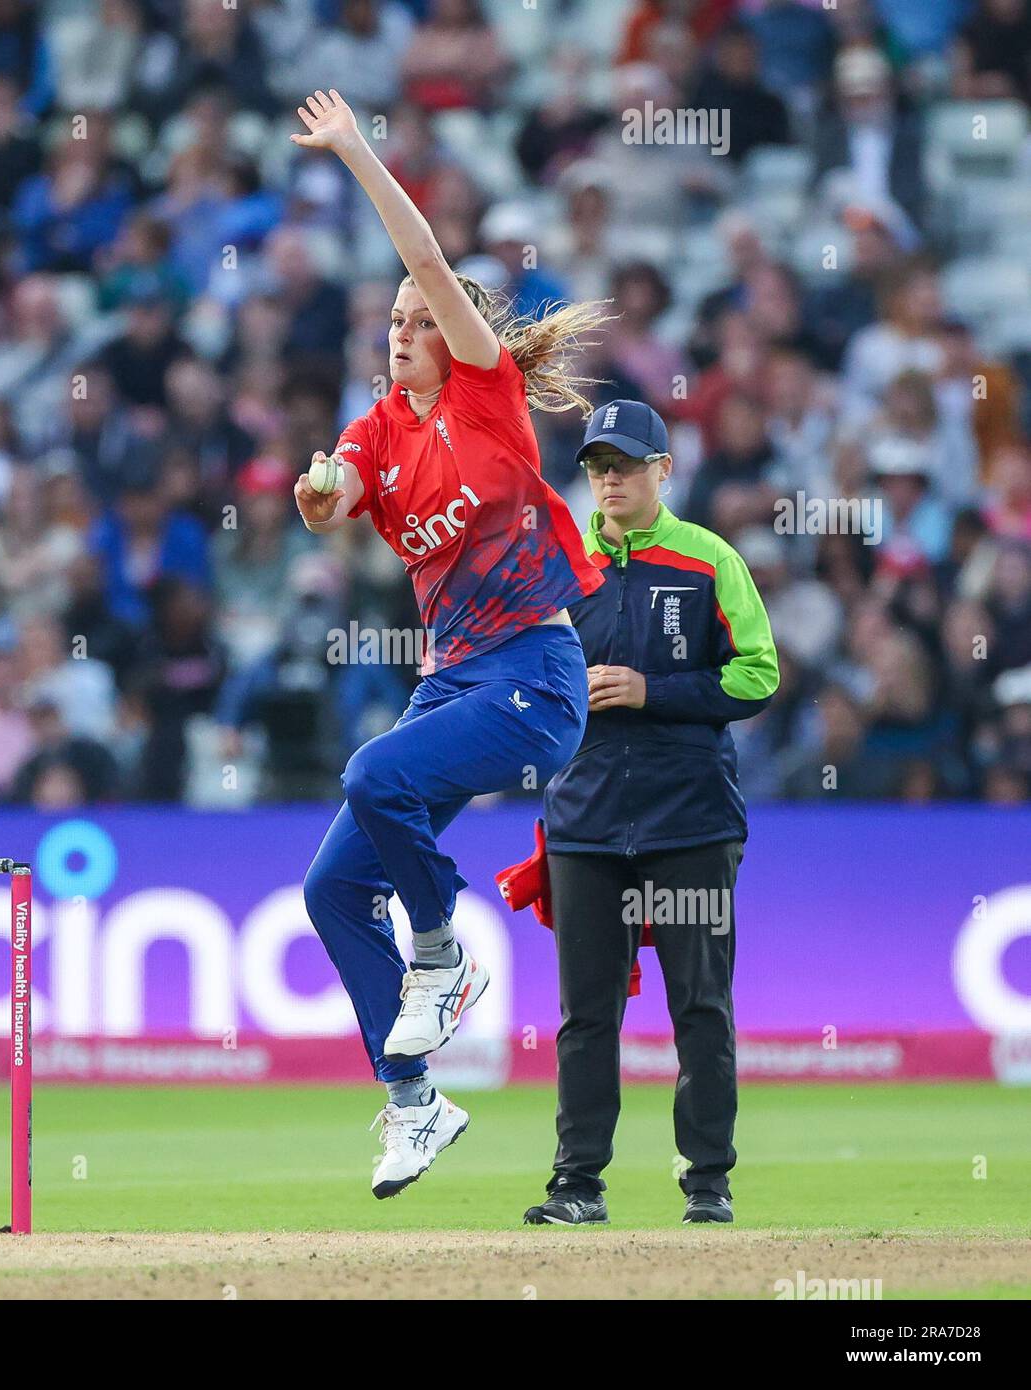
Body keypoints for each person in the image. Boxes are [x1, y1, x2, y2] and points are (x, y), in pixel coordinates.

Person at [290, 90, 607, 1199]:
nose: (399, 328)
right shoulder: (379, 423)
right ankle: (415, 1103)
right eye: (390, 323)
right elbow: (334, 497)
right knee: (329, 889)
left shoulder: (486, 396)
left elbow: (422, 254)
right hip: (453, 688)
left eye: (414, 317)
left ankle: (442, 949)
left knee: (371, 771)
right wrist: (318, 498)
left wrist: (356, 153)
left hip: (535, 676)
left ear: (453, 327)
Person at [521, 400, 779, 1227]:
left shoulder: (708, 560)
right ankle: (577, 1186)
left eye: (626, 465)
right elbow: (518, 678)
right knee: (585, 1015)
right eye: (598, 465)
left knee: (700, 1005)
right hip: (586, 823)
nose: (609, 479)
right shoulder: (557, 566)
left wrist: (651, 692)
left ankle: (708, 1181)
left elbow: (759, 675)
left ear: (664, 470)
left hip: (691, 822)